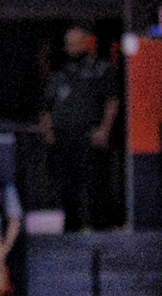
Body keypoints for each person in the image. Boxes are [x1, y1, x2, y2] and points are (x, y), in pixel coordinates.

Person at [41, 25, 120, 232]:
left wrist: (105, 130)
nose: (72, 47)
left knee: (96, 184)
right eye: (69, 44)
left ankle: (101, 226)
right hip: (64, 138)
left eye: (76, 43)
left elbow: (112, 102)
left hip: (91, 135)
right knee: (67, 185)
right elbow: (47, 106)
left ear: (86, 43)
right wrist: (49, 132)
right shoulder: (60, 74)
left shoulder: (101, 69)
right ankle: (72, 226)